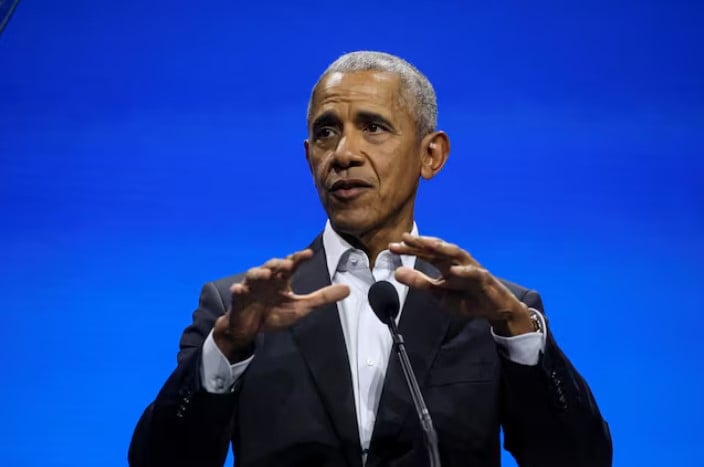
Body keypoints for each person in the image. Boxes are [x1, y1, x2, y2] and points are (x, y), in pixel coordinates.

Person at [129, 51, 612, 467]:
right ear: (308, 157)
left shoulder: (495, 311)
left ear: (431, 155)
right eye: (326, 133)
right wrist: (229, 347)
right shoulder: (238, 311)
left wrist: (516, 329)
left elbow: (579, 459)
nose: (343, 153)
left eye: (374, 127)